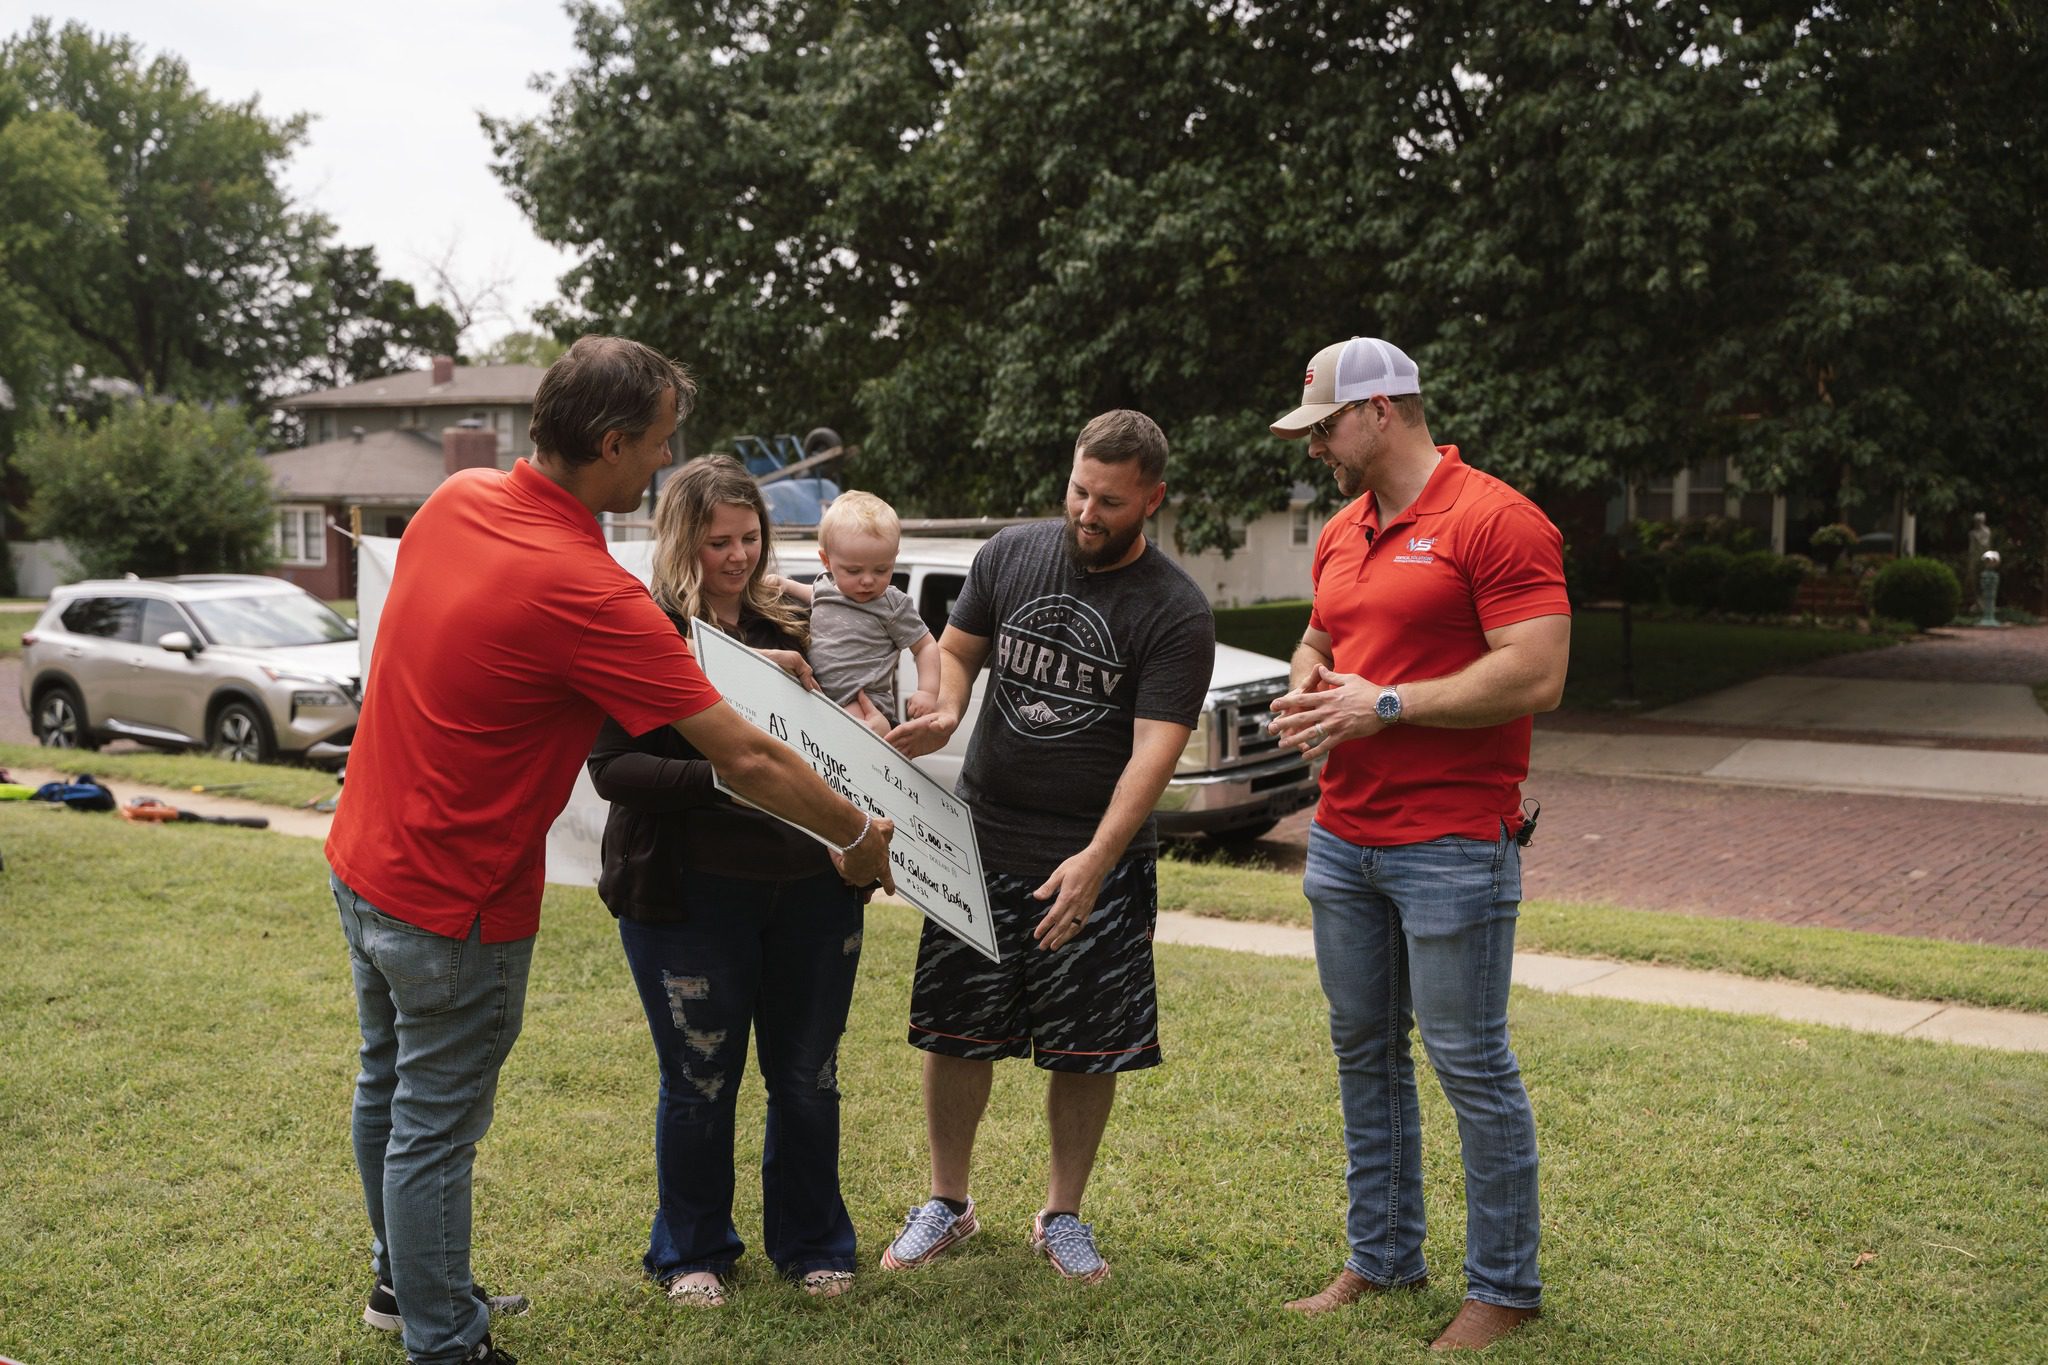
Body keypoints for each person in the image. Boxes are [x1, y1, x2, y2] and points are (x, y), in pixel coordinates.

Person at [326, 337, 894, 1365]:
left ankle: (401, 1284)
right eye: (660, 441)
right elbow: (747, 757)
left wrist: (739, 665)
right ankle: (445, 1343)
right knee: (434, 1126)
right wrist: (855, 836)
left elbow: (551, 639)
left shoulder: (457, 501)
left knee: (387, 1086)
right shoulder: (588, 588)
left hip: (365, 857)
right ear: (611, 443)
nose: (665, 461)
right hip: (458, 895)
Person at [1263, 336, 1569, 1352]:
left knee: (1468, 1061)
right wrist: (1308, 686)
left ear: (1380, 411)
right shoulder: (1343, 529)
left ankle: (1504, 1288)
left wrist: (1385, 703)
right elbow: (1320, 636)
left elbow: (1536, 674)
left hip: (1452, 841)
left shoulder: (1497, 519)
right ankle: (1385, 1255)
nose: (1315, 449)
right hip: (1343, 838)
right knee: (1364, 1051)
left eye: (1324, 428)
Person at [881, 410, 1214, 1285]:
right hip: (980, 839)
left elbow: (1154, 753)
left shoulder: (1175, 609)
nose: (1086, 512)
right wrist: (948, 707)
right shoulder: (1011, 554)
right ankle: (948, 1200)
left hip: (1092, 860)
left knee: (1086, 1046)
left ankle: (1062, 1213)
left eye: (1110, 501)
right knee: (956, 1030)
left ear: (1152, 498)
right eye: (1078, 490)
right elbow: (959, 653)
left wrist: (1098, 859)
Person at [587, 455, 867, 1308]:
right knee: (701, 1079)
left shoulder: (797, 618)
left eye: (750, 537)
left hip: (811, 888)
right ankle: (692, 1252)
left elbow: (845, 736)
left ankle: (812, 1243)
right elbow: (611, 767)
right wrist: (724, 776)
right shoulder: (646, 628)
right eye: (719, 542)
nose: (739, 556)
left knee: (809, 1076)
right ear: (683, 542)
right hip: (690, 894)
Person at [769, 489, 941, 725]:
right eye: (854, 571)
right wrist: (785, 585)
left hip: (865, 703)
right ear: (827, 561)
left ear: (894, 558)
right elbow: (813, 595)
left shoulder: (892, 605)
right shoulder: (825, 587)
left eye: (881, 570)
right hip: (819, 695)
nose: (868, 580)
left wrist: (927, 691)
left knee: (847, 729)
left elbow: (926, 645)